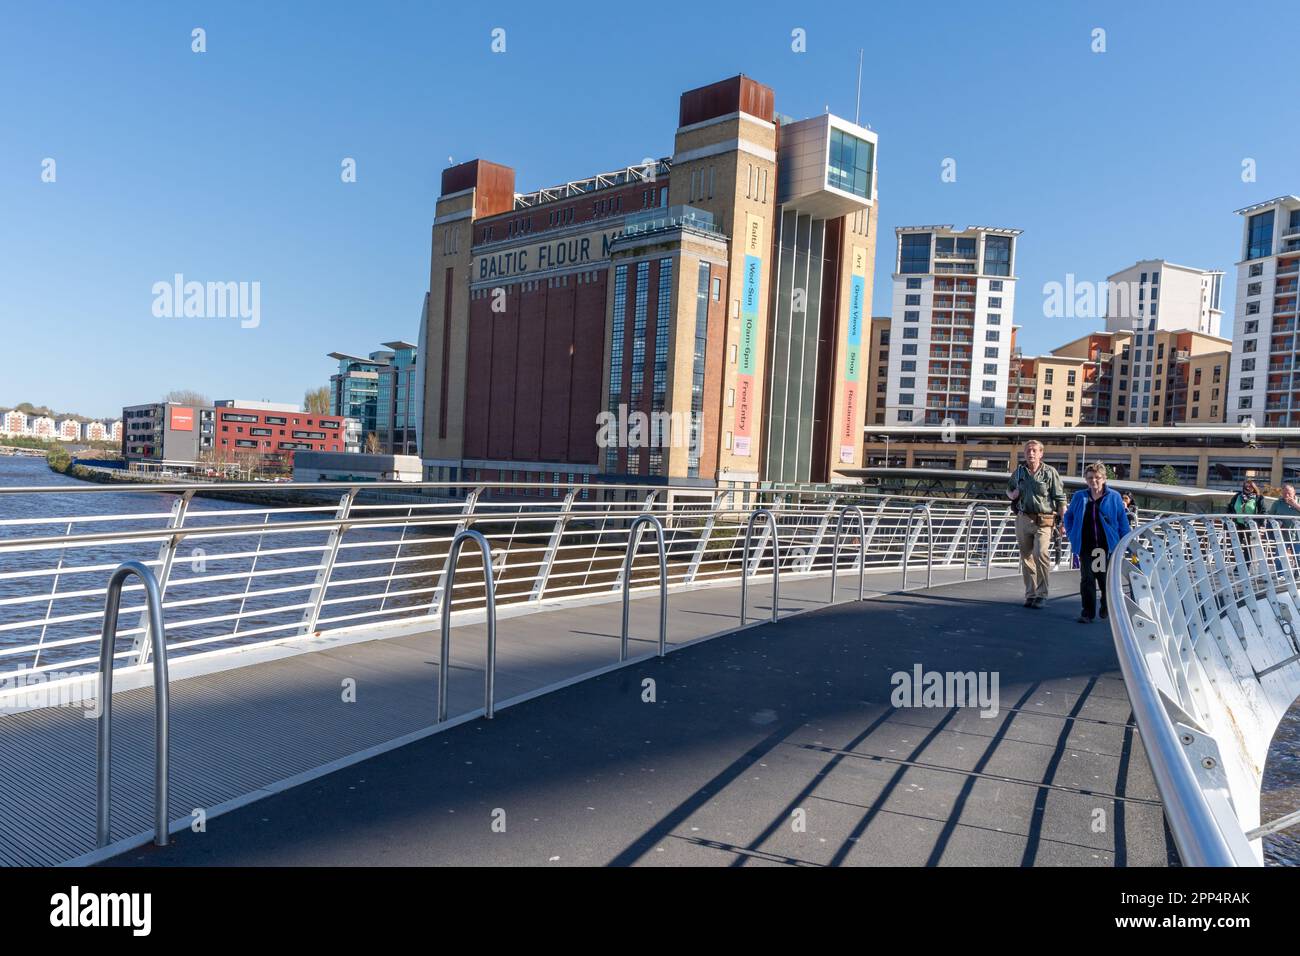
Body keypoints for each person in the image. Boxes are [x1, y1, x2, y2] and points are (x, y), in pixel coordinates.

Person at [1063, 463, 1131, 623]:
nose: (1094, 480)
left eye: (1097, 477)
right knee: (1087, 578)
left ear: (1104, 479)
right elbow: (1069, 516)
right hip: (1086, 545)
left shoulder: (1113, 497)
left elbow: (1122, 521)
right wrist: (1072, 534)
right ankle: (1087, 612)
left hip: (1102, 547)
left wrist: (1125, 541)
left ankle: (1106, 605)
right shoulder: (1080, 496)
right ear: (1086, 480)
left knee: (1102, 577)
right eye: (1090, 478)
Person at [1006, 440, 1068, 609]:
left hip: (1044, 520)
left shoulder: (1050, 473)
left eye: (1034, 451)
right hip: (1023, 518)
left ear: (1041, 454)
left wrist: (1064, 522)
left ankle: (1042, 594)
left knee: (1040, 554)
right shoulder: (1019, 472)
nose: (1030, 454)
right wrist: (1012, 495)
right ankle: (1030, 594)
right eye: (1028, 451)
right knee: (1026, 557)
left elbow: (1060, 498)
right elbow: (1009, 489)